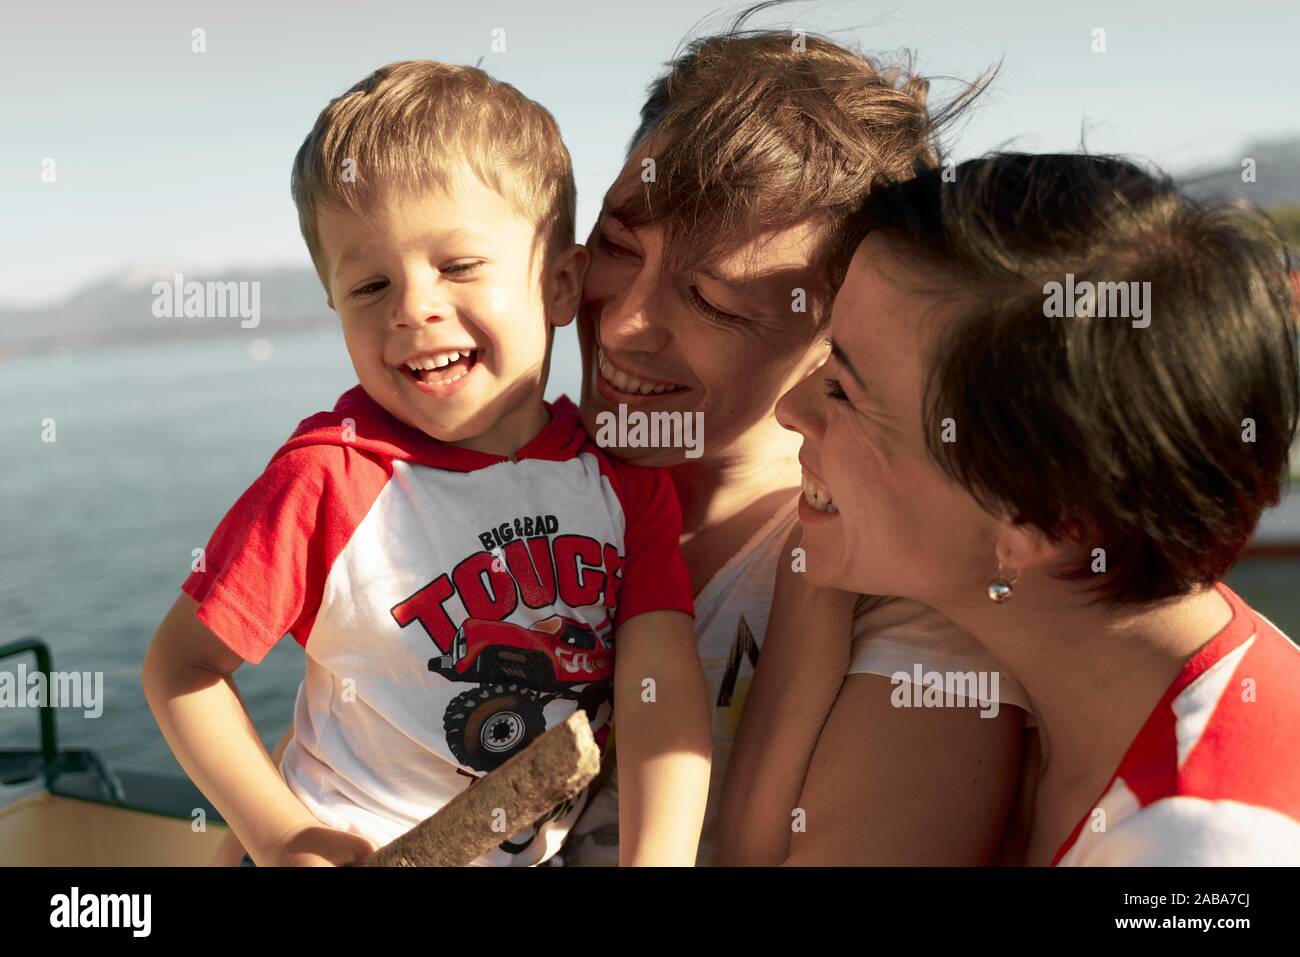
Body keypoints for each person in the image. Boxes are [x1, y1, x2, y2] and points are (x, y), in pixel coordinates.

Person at [214, 20, 1032, 869]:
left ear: (836, 325)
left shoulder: (903, 607)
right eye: (616, 245)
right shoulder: (495, 508)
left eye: (714, 299)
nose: (627, 324)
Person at [142, 60, 711, 868]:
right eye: (371, 284)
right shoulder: (326, 481)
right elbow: (182, 667)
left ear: (557, 283)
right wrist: (282, 836)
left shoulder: (623, 484)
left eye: (458, 265)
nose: (413, 307)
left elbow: (661, 685)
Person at [740, 151, 1300, 864]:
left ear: (1040, 519)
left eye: (846, 391)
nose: (791, 407)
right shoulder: (1096, 698)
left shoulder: (1201, 850)